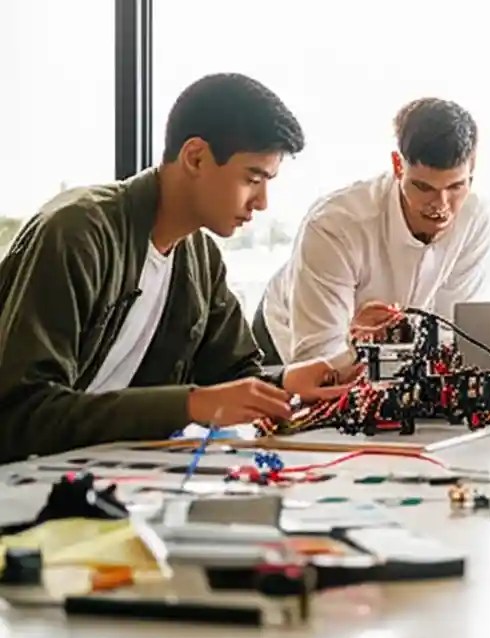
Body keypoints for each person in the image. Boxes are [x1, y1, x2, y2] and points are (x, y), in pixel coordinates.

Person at [0, 73, 362, 463]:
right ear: (196, 157)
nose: (262, 202)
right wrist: (189, 405)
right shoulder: (76, 232)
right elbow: (20, 413)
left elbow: (233, 375)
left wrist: (286, 381)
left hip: (101, 474)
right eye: (252, 178)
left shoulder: (201, 259)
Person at [254, 97, 490, 366]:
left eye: (455, 187)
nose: (440, 205)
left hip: (389, 352)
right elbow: (317, 355)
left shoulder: (474, 218)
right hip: (288, 336)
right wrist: (353, 340)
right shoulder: (335, 225)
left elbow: (454, 333)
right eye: (423, 188)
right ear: (397, 165)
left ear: (472, 170)